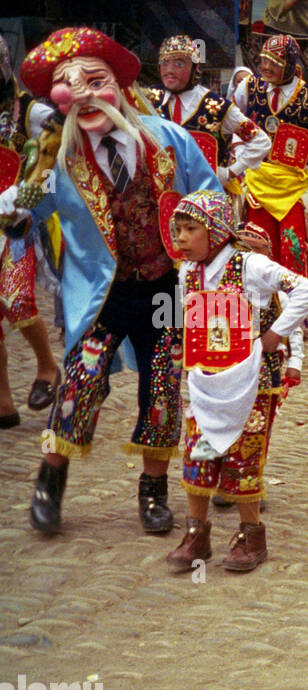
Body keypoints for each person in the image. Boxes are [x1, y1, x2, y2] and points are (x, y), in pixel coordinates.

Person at [0, 28, 222, 535]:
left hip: (165, 289)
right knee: (80, 384)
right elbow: (20, 214)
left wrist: (206, 239)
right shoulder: (58, 157)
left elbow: (211, 197)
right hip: (103, 297)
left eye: (94, 81)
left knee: (162, 387)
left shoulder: (170, 140)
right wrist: (24, 197)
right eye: (67, 87)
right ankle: (48, 483)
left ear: (120, 85)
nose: (83, 95)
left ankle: (153, 493)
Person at [164, 190, 308, 572]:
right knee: (197, 456)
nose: (180, 238)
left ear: (214, 230)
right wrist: (181, 350)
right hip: (205, 380)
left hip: (252, 381)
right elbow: (186, 315)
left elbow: (305, 290)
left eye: (190, 229)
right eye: (178, 229)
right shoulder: (188, 271)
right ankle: (196, 534)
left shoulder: (250, 266)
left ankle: (251, 535)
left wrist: (275, 336)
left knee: (243, 458)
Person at [233, 34, 308, 275]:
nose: (266, 67)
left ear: (290, 65)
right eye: (264, 60)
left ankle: (295, 309)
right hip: (258, 183)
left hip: (295, 187)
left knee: (294, 248)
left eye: (275, 63)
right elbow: (233, 120)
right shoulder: (248, 88)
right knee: (258, 248)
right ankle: (264, 309)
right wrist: (239, 148)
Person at [0, 55, 60, 426]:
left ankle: (47, 366)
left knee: (17, 298)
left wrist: (30, 196)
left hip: (16, 221)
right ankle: (3, 402)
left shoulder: (32, 112)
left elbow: (61, 149)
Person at [145, 34, 270, 185]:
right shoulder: (148, 99)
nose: (169, 70)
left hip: (205, 198)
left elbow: (260, 141)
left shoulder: (218, 107)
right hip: (161, 198)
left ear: (195, 67)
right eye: (164, 63)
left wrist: (231, 172)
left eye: (179, 64)